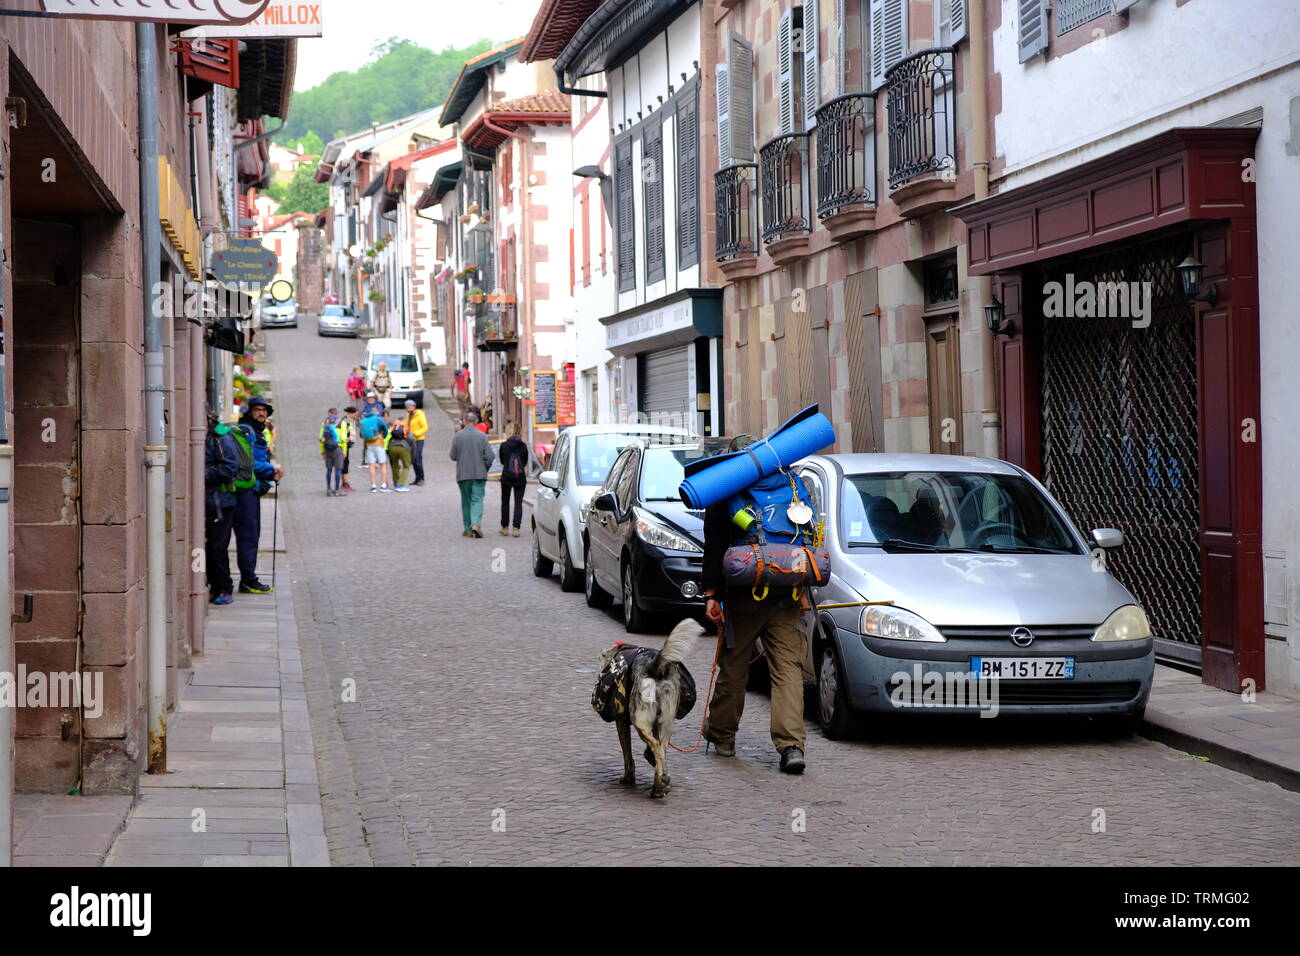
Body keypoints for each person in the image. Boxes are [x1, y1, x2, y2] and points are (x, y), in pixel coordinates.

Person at [700, 434, 809, 775]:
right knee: (787, 669)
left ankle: (723, 736)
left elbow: (715, 546)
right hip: (787, 590)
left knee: (735, 664)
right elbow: (807, 536)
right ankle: (791, 747)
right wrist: (804, 590)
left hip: (745, 593)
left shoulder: (726, 491)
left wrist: (712, 595)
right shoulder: (790, 483)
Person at [233, 397, 282, 594]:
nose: (261, 413)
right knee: (249, 535)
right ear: (250, 412)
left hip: (250, 488)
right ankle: (247, 580)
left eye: (264, 410)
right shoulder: (248, 431)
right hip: (245, 491)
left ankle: (245, 578)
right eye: (257, 410)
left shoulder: (257, 430)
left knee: (250, 535)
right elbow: (250, 462)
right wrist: (272, 469)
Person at [204, 413, 246, 605]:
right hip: (209, 501)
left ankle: (224, 588)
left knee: (217, 547)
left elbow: (230, 468)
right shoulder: (208, 437)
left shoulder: (220, 437)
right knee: (210, 547)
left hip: (221, 502)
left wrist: (201, 473)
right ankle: (215, 587)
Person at [449, 410, 495, 537]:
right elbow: (490, 456)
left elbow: (452, 456)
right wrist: (485, 467)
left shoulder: (458, 436)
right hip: (479, 474)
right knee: (477, 499)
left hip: (463, 474)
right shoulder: (482, 436)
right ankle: (476, 524)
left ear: (464, 422)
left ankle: (468, 529)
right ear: (476, 422)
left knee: (466, 501)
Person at [498, 422, 528, 536]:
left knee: (505, 502)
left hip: (506, 477)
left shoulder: (504, 445)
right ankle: (516, 528)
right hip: (520, 478)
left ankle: (504, 527)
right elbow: (524, 462)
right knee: (518, 502)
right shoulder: (523, 446)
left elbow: (501, 461)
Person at [359, 404, 391, 492]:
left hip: (369, 444)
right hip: (378, 443)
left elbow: (361, 434)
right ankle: (383, 485)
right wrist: (383, 436)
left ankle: (373, 485)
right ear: (376, 412)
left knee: (371, 465)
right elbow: (385, 429)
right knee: (383, 464)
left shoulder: (364, 420)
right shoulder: (378, 419)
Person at [384, 410, 413, 492]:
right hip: (403, 448)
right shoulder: (406, 429)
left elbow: (387, 438)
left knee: (395, 466)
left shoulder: (392, 428)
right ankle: (400, 485)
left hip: (391, 447)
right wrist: (412, 457)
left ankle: (396, 483)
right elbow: (412, 441)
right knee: (406, 466)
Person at [320, 408, 344, 497]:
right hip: (338, 449)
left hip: (327, 449)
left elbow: (321, 438)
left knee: (329, 470)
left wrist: (322, 450)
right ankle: (337, 489)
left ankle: (328, 489)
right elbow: (344, 437)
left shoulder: (324, 424)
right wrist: (344, 451)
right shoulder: (341, 423)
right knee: (338, 470)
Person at [404, 399, 428, 486]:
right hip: (410, 440)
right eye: (406, 407)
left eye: (409, 407)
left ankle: (421, 478)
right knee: (413, 459)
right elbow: (406, 424)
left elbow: (425, 427)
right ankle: (417, 478)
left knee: (417, 458)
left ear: (414, 407)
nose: (408, 409)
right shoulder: (408, 415)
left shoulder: (420, 414)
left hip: (419, 439)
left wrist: (415, 433)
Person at [340, 406, 359, 492]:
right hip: (343, 446)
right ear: (351, 413)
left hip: (346, 446)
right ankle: (344, 484)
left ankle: (345, 483)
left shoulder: (348, 420)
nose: (356, 415)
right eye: (355, 414)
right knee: (344, 464)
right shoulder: (346, 421)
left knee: (345, 463)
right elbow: (344, 436)